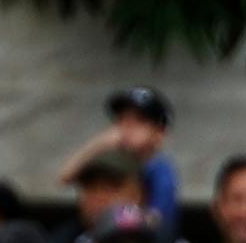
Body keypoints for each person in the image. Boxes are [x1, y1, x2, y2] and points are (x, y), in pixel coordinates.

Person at [63, 86, 182, 232]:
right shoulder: (112, 157)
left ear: (159, 132)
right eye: (121, 120)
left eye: (139, 121)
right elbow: (65, 177)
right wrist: (98, 144)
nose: (127, 127)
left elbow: (157, 219)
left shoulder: (158, 168)